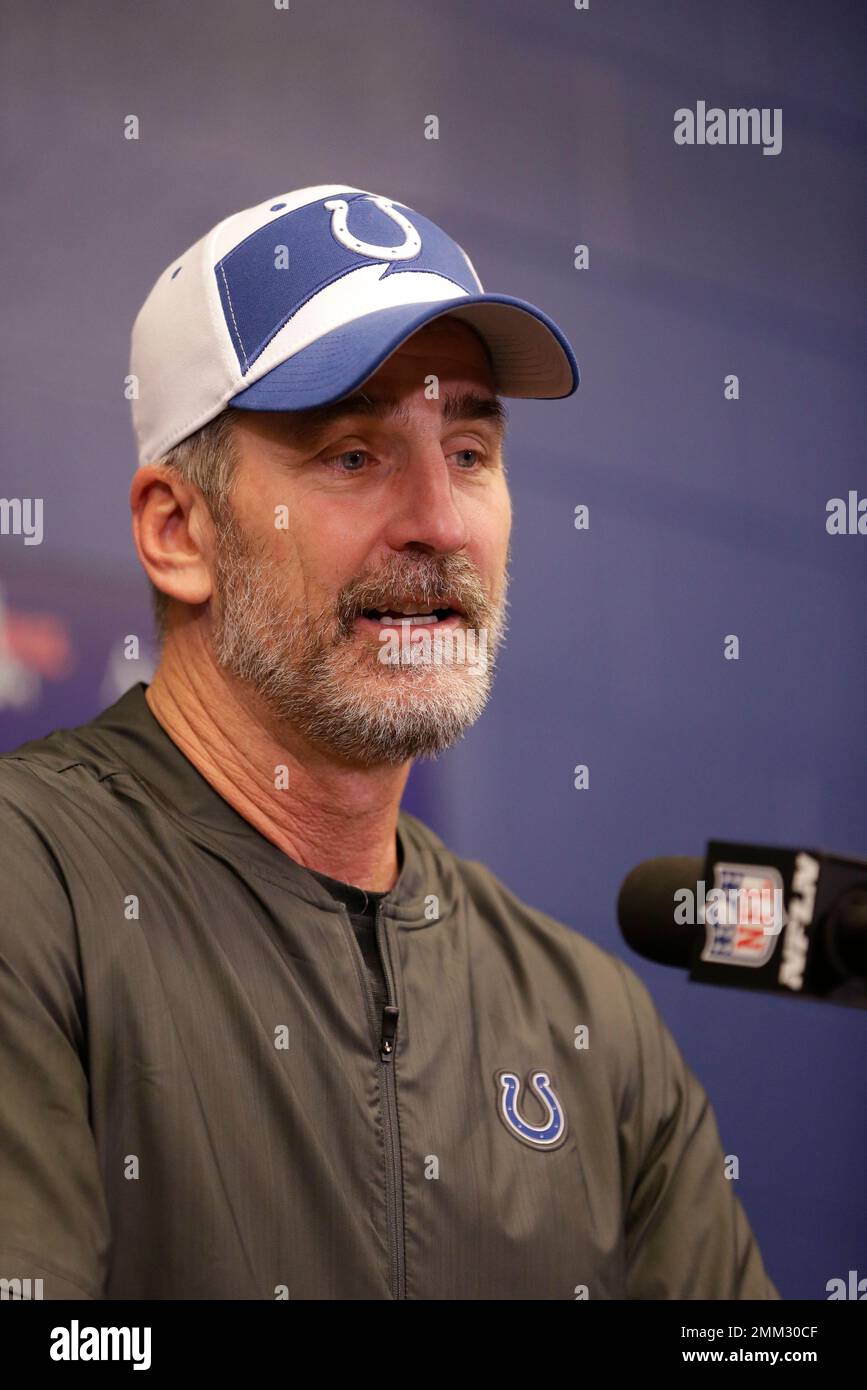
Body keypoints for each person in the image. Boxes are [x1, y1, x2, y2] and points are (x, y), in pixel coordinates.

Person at [0, 184, 779, 1299]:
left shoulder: (593, 1029)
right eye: (354, 455)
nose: (441, 520)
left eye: (468, 450)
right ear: (181, 531)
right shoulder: (30, 889)